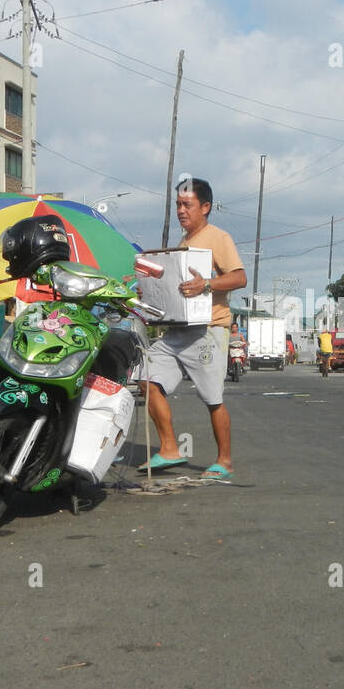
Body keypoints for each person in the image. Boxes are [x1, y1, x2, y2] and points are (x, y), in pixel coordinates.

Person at [136, 178, 247, 480]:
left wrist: (206, 283)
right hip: (176, 331)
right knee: (146, 379)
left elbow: (239, 278)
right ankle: (170, 448)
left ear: (206, 207)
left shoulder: (217, 238)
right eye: (178, 205)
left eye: (187, 205)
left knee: (212, 399)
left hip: (209, 330)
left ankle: (224, 461)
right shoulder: (184, 243)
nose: (181, 211)